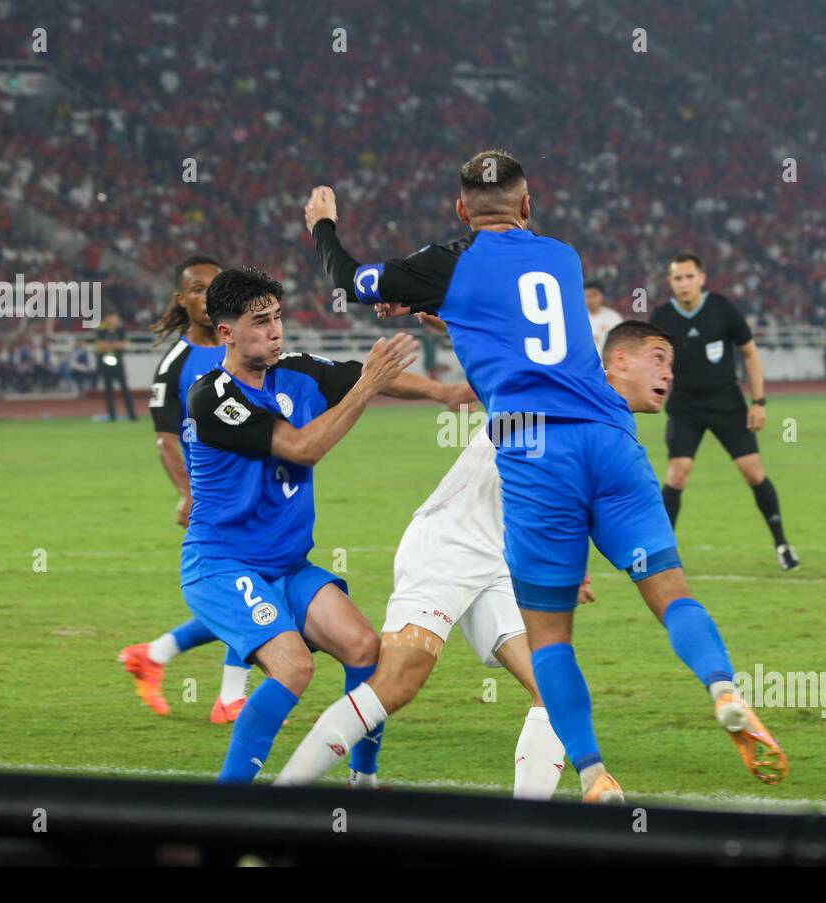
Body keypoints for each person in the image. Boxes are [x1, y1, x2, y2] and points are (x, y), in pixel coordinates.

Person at [304, 150, 788, 803]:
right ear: (529, 207)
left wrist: (324, 228)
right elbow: (521, 326)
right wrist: (442, 310)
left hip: (533, 446)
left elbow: (353, 280)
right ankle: (723, 687)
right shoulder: (563, 259)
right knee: (673, 595)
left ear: (459, 211)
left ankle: (592, 774)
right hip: (609, 438)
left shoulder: (453, 263)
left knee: (551, 639)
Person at [278, 321, 692, 798]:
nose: (668, 373)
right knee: (396, 682)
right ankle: (279, 804)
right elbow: (506, 361)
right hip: (448, 544)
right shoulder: (562, 385)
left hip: (499, 562)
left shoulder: (611, 427)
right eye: (659, 357)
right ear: (619, 360)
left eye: (672, 364)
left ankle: (528, 829)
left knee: (554, 689)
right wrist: (448, 315)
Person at [179, 267, 471, 785]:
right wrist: (368, 389)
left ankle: (363, 782)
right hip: (223, 564)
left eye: (276, 318)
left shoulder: (296, 370)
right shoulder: (213, 397)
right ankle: (226, 807)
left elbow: (361, 374)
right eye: (259, 322)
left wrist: (444, 394)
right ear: (225, 333)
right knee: (294, 668)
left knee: (365, 649)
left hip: (287, 566)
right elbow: (303, 446)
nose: (275, 331)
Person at [118, 255, 253, 724]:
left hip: (255, 489)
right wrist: (188, 493)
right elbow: (165, 439)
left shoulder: (245, 344)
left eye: (215, 288)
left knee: (248, 590)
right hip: (217, 498)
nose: (207, 297)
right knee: (253, 588)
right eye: (196, 289)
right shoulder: (177, 363)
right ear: (182, 299)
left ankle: (153, 656)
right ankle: (230, 697)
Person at [651, 255, 799, 571]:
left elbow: (750, 353)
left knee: (753, 473)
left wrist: (759, 402)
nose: (684, 284)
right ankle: (662, 553)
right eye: (678, 278)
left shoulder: (722, 308)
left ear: (702, 278)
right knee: (677, 475)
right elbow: (653, 364)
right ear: (670, 282)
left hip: (727, 404)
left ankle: (782, 544)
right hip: (686, 408)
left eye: (689, 277)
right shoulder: (662, 317)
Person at [95, 312, 136, 420]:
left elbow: (124, 344)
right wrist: (115, 345)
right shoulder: (101, 331)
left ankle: (132, 414)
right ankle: (112, 415)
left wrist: (108, 345)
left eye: (116, 318)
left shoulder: (120, 330)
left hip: (119, 364)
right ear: (107, 318)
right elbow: (99, 346)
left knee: (125, 390)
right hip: (105, 365)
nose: (114, 320)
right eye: (113, 318)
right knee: (108, 391)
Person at [584, 281, 623, 357]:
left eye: (594, 295)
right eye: (587, 296)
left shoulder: (614, 318)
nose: (591, 300)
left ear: (602, 296)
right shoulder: (578, 320)